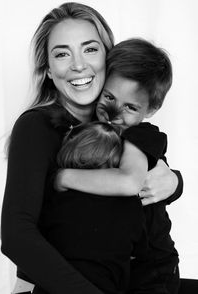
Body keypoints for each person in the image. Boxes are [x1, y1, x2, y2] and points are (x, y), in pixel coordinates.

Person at [0, 2, 183, 294]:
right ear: (48, 69)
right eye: (62, 53)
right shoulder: (39, 127)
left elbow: (142, 200)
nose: (78, 64)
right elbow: (16, 235)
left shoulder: (129, 124)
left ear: (108, 56)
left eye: (89, 49)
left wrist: (174, 181)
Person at [56, 38, 181, 294]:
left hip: (152, 268)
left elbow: (128, 182)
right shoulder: (90, 132)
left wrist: (63, 177)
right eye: (109, 96)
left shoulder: (141, 136)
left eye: (131, 107)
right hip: (111, 264)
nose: (114, 113)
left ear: (153, 108)